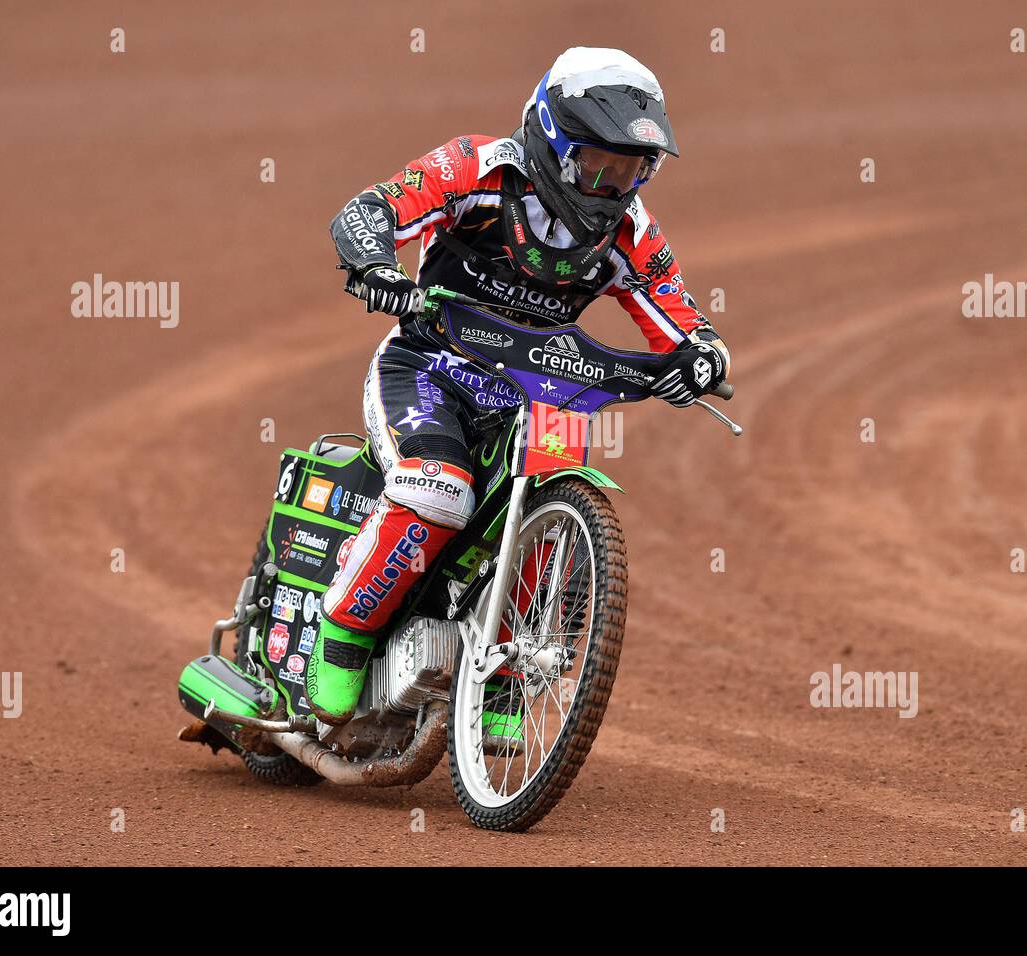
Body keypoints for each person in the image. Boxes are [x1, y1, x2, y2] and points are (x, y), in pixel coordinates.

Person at [307, 47, 731, 724]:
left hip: (538, 400)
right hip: (427, 367)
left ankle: (504, 678)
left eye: (629, 169)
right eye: (599, 164)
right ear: (553, 139)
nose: (612, 184)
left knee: (549, 518)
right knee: (436, 489)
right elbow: (370, 211)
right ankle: (344, 633)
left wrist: (703, 356)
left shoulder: (631, 231)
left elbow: (680, 318)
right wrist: (375, 265)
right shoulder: (476, 167)